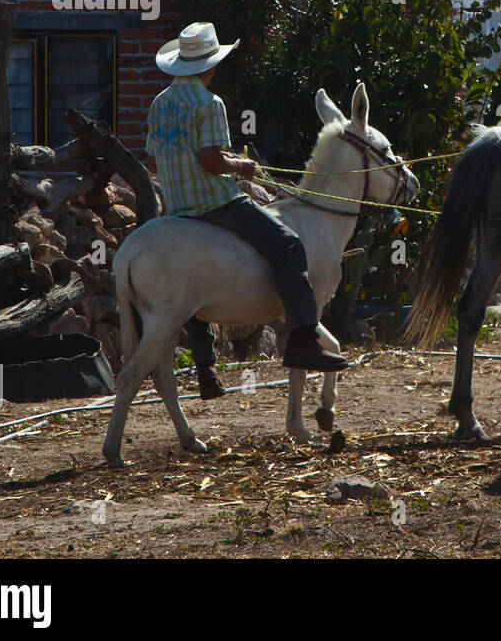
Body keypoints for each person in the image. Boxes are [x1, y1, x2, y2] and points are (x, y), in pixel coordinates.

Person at [145, 22, 351, 399]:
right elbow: (209, 161)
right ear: (208, 66)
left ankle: (205, 368)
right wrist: (238, 166)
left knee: (188, 292)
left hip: (177, 210)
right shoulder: (210, 104)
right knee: (289, 245)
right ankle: (304, 338)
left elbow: (155, 163)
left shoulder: (160, 104)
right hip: (215, 204)